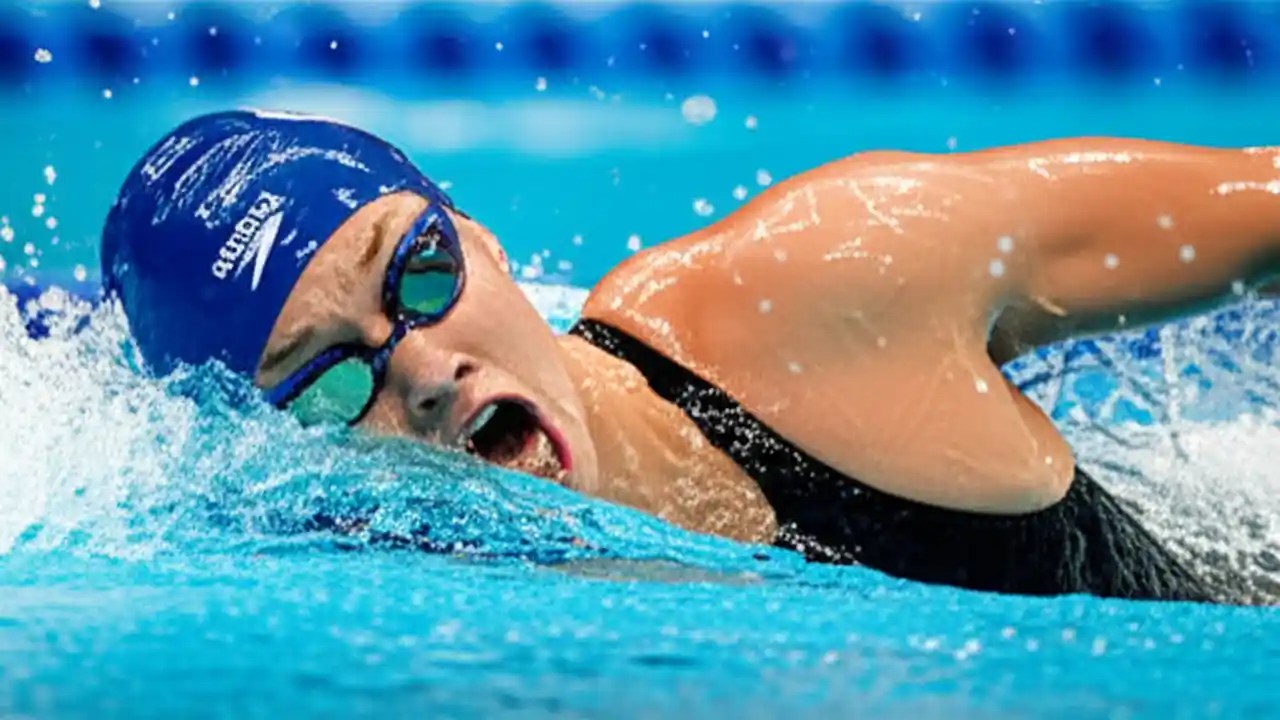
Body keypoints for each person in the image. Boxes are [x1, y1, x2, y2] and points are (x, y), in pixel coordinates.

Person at [102, 109, 1280, 604]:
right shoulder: (354, 590)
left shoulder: (820, 288)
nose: (422, 370)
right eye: (327, 384)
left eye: (415, 273)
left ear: (484, 239)